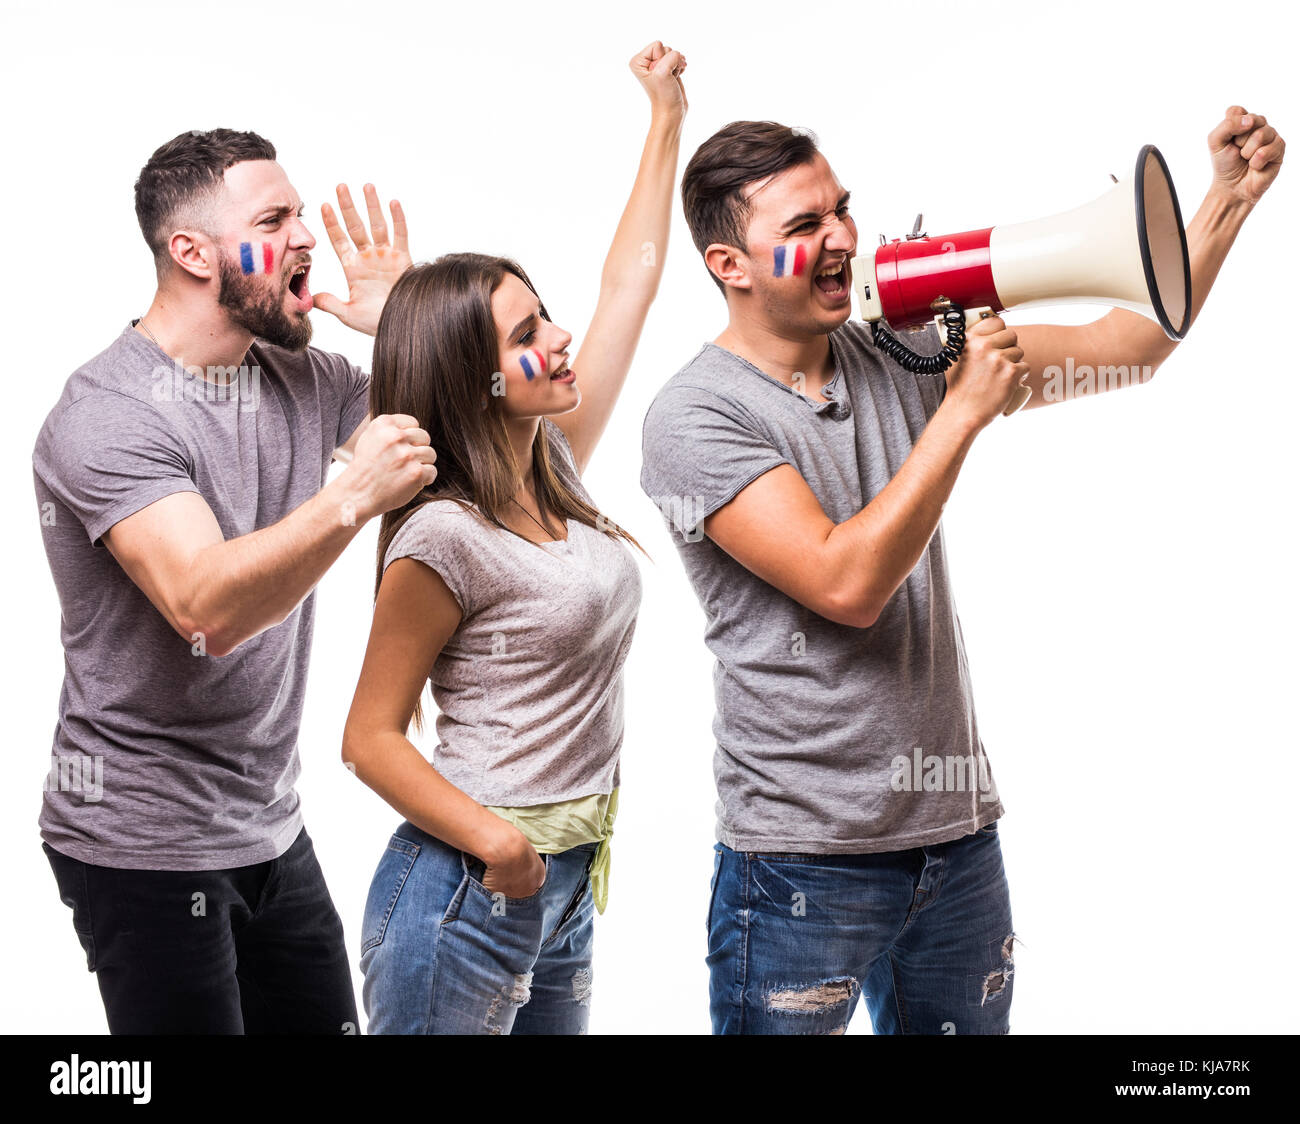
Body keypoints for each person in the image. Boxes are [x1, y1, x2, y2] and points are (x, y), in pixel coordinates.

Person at [640, 108, 1283, 1034]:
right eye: (804, 227)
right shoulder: (693, 417)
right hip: (801, 862)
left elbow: (1132, 350)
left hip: (955, 839)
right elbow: (846, 584)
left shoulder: (901, 351)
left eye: (842, 210)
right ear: (728, 266)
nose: (842, 240)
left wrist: (1225, 202)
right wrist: (962, 411)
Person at [32, 128, 435, 1034]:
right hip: (141, 843)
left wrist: (411, 319)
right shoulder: (106, 415)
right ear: (192, 252)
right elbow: (205, 605)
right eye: (276, 219)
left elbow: (495, 431)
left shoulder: (306, 377)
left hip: (269, 829)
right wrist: (352, 498)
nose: (307, 239)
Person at [342, 40, 688, 1035]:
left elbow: (630, 285)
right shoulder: (442, 536)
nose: (562, 337)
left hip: (565, 883)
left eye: (547, 315)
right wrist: (499, 846)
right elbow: (368, 737)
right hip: (466, 893)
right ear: (476, 377)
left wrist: (664, 118)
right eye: (527, 333)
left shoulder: (555, 466)